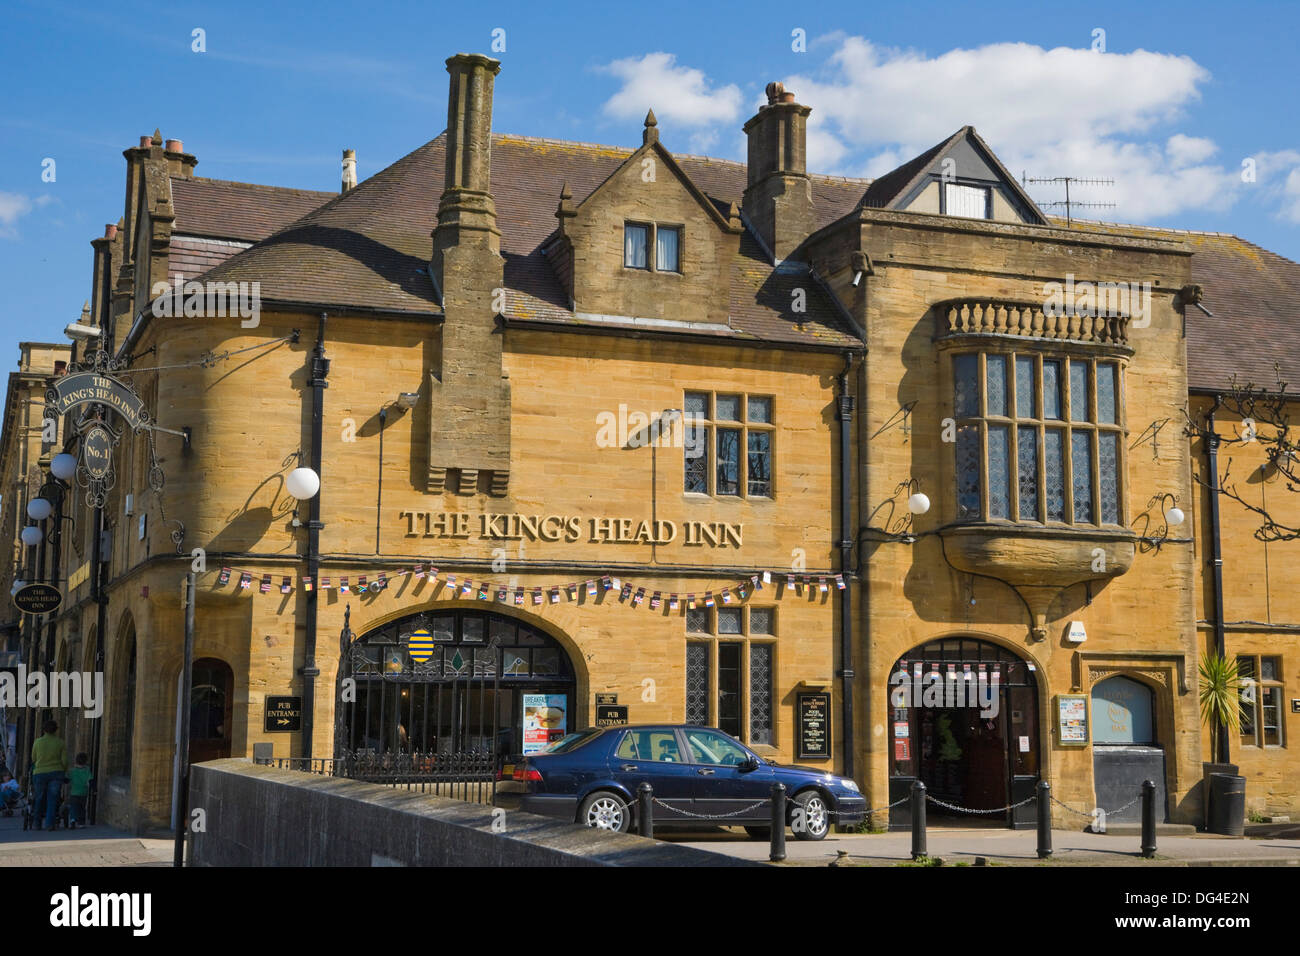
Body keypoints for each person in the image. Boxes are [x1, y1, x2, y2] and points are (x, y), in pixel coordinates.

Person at [30, 719, 67, 830]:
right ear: (55, 730)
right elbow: (64, 760)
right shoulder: (60, 742)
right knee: (52, 798)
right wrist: (63, 770)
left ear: (44, 730)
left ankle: (37, 823)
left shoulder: (37, 742)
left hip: (40, 772)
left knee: (39, 797)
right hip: (56, 772)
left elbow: (34, 758)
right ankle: (49, 824)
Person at [67, 753, 92, 829]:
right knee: (82, 808)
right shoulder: (87, 771)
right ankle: (81, 823)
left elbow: (67, 780)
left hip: (74, 793)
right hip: (83, 793)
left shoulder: (72, 771)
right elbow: (89, 782)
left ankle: (72, 820)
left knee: (73, 807)